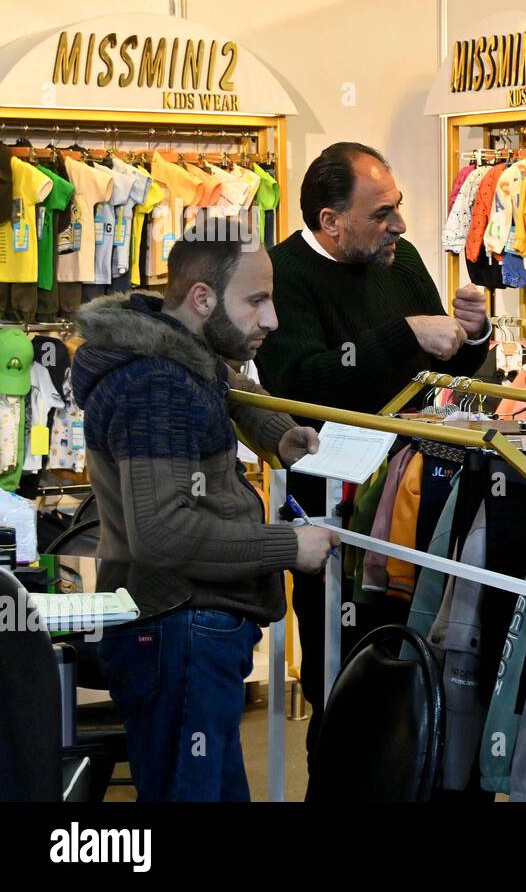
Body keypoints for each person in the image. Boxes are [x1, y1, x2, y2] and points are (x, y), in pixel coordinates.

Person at [71, 225, 339, 801]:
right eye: (256, 301)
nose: (271, 320)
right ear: (201, 299)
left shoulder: (171, 347)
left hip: (182, 628)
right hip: (179, 626)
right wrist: (289, 547)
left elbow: (220, 380)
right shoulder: (155, 385)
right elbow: (164, 534)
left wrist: (274, 433)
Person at [254, 142, 491, 760]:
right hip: (331, 506)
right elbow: (301, 382)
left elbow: (442, 363)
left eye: (399, 208)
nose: (401, 226)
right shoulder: (283, 277)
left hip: (415, 494)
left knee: (416, 664)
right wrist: (404, 332)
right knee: (342, 672)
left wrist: (473, 333)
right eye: (383, 213)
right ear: (330, 221)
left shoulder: (401, 258)